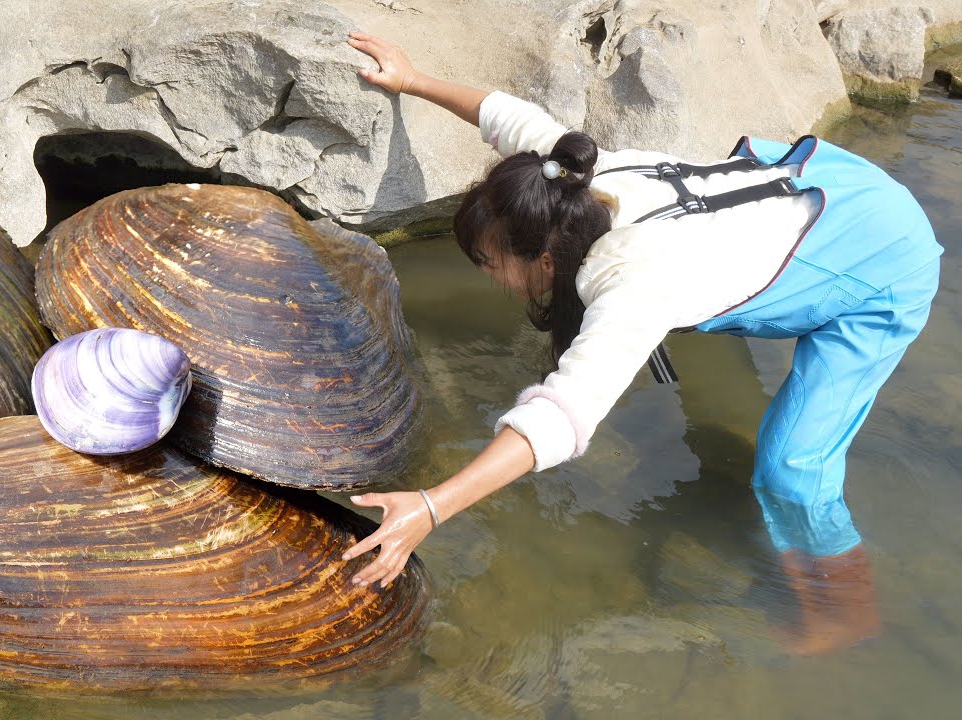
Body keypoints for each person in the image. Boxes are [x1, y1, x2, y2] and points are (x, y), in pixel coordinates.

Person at [339, 31, 943, 656]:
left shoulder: (634, 284)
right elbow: (507, 116)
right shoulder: (567, 178)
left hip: (877, 262)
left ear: (545, 259)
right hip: (832, 187)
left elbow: (561, 416)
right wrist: (412, 80)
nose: (488, 275)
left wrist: (433, 507)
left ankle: (848, 615)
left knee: (790, 471)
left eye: (492, 264)